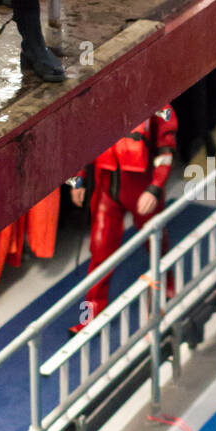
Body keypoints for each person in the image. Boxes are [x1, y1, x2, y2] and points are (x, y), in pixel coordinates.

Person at [68, 106, 179, 331]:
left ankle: (167, 288)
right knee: (99, 252)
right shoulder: (98, 101)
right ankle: (90, 316)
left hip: (141, 188)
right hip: (107, 189)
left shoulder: (159, 105)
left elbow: (166, 151)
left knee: (156, 243)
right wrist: (77, 180)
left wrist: (155, 187)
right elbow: (81, 144)